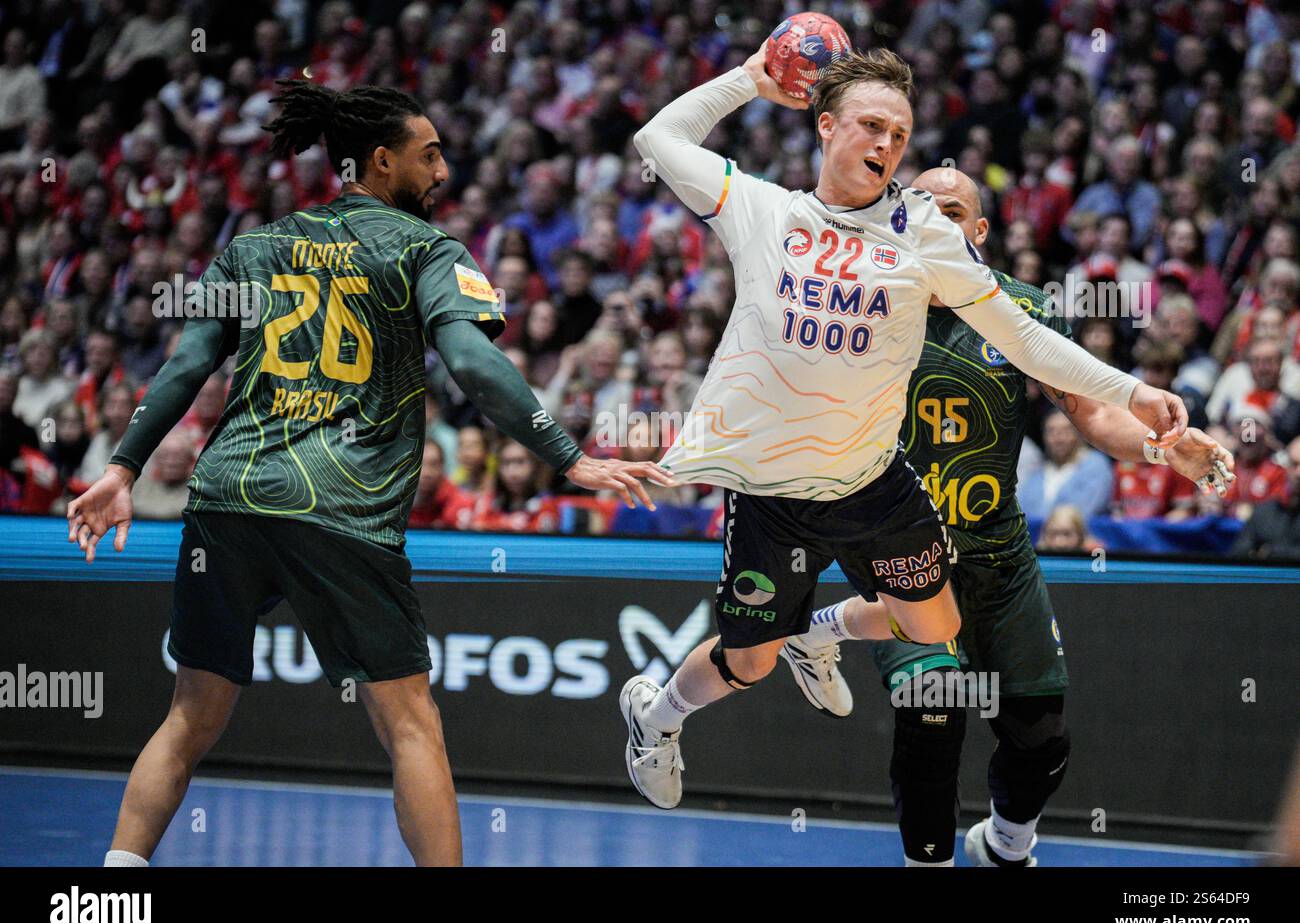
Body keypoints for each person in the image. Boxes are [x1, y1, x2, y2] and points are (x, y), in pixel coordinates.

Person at [65, 80, 671, 868]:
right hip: (341, 507)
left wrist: (122, 467)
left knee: (190, 715)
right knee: (411, 723)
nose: (445, 171)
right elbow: (473, 364)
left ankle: (116, 891)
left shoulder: (256, 244)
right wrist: (570, 456)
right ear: (382, 163)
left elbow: (186, 365)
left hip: (229, 499)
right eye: (430, 155)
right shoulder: (426, 250)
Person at [618, 46, 1188, 813]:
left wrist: (1134, 389)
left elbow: (1021, 335)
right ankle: (656, 719)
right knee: (747, 665)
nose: (885, 146)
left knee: (937, 621)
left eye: (899, 133)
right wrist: (750, 82)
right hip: (772, 491)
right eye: (871, 126)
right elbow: (658, 139)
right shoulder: (765, 211)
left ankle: (817, 631)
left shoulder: (923, 234)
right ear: (825, 127)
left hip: (872, 483)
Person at [778, 166, 1234, 867]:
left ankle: (1005, 847)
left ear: (980, 232)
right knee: (933, 714)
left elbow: (1091, 411)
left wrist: (1162, 447)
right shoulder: (863, 308)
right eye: (922, 205)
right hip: (907, 553)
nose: (936, 218)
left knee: (1041, 737)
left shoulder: (1020, 309)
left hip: (999, 554)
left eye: (954, 210)